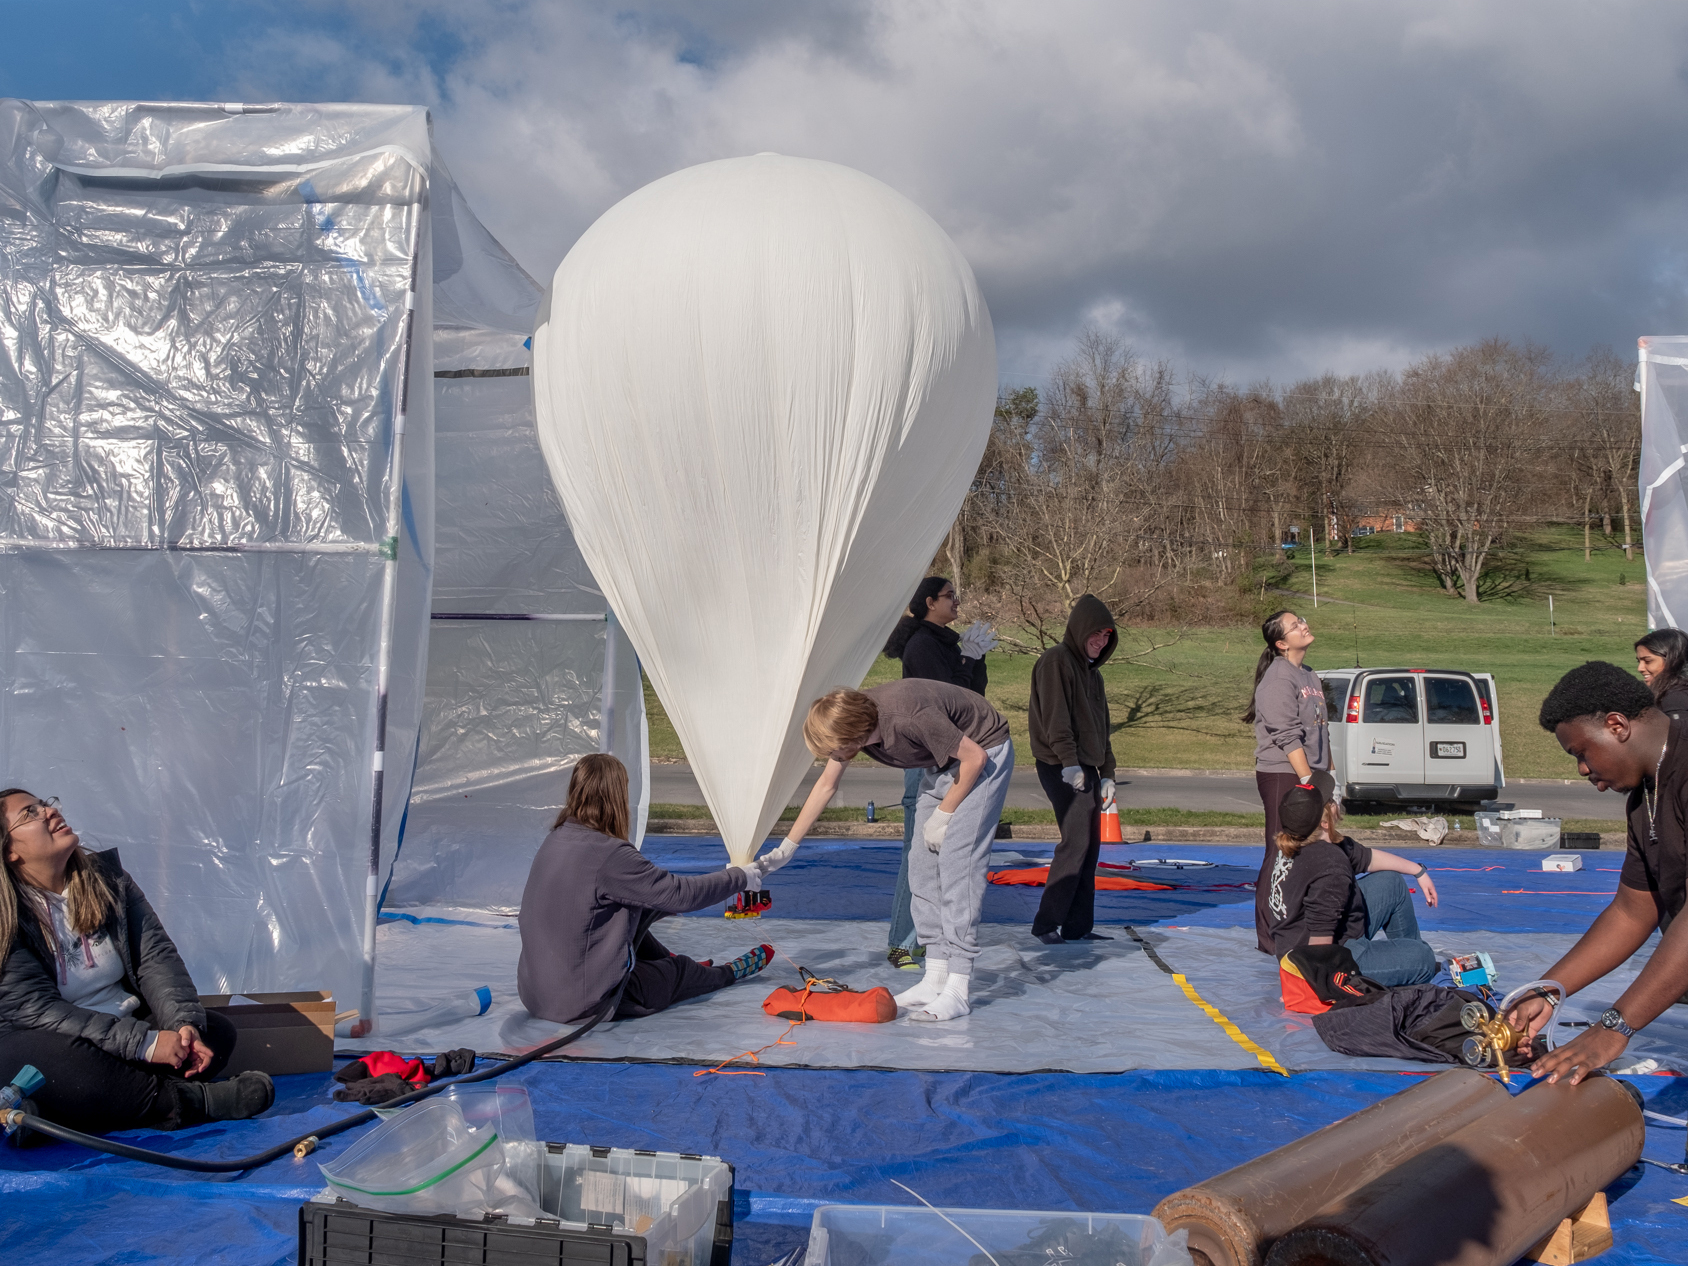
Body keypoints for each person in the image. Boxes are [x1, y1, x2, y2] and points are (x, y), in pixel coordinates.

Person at [0, 789, 274, 1134]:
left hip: (122, 1028)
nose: (49, 812)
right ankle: (192, 1103)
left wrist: (182, 1025)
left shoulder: (108, 880)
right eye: (30, 813)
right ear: (8, 850)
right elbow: (37, 1010)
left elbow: (155, 958)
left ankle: (52, 1118)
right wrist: (144, 1044)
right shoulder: (5, 914)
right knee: (57, 1065)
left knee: (216, 1033)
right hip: (47, 1041)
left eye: (45, 805)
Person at [1507, 661, 1688, 1085]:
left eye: (1582, 753)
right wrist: (1549, 989)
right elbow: (1632, 911)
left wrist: (1615, 1027)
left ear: (1616, 725)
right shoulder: (1646, 798)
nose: (1583, 770)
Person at [793, 679, 1014, 1021]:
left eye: (836, 752)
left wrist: (944, 814)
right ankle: (935, 974)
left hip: (982, 755)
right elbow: (826, 784)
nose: (834, 759)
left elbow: (975, 757)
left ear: (854, 736)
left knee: (959, 866)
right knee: (921, 867)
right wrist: (788, 845)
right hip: (944, 764)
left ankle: (958, 987)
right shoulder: (856, 729)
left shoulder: (909, 716)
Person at [517, 755, 788, 1025]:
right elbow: (681, 895)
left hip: (536, 995)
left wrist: (660, 902)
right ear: (617, 797)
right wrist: (739, 877)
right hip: (583, 1004)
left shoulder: (556, 839)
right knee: (678, 973)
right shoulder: (609, 854)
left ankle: (669, 962)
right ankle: (726, 973)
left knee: (634, 910)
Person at [880, 576, 995, 969]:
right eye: (950, 596)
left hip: (953, 754)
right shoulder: (923, 646)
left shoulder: (946, 643)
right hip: (932, 758)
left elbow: (970, 697)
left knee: (940, 853)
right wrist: (966, 661)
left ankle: (931, 940)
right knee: (918, 854)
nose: (957, 602)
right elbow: (943, 703)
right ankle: (901, 942)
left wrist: (974, 659)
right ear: (930, 602)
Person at [1265, 781, 1439, 987]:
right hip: (1325, 959)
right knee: (1424, 958)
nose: (1336, 800)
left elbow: (1367, 857)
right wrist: (1319, 985)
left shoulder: (1295, 840)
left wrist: (1418, 871)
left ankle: (1404, 963)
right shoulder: (1330, 866)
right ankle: (1411, 966)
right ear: (1325, 822)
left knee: (1391, 882)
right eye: (1331, 800)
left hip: (1309, 938)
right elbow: (1319, 944)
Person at [1027, 594, 1118, 944]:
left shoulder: (1094, 677)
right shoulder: (1056, 661)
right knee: (1075, 842)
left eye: (1107, 636)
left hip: (1087, 769)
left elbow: (1102, 727)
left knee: (1090, 847)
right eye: (1095, 635)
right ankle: (1047, 923)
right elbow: (1055, 719)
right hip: (1060, 766)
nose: (1101, 642)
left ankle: (1078, 925)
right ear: (1079, 632)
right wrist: (1068, 763)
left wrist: (1107, 771)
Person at [1244, 610, 1330, 953]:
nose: (1303, 626)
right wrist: (1308, 779)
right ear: (1281, 644)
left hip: (1311, 773)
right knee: (1280, 851)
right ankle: (1269, 937)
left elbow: (1321, 730)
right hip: (1284, 773)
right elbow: (1287, 736)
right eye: (1295, 626)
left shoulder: (1309, 675)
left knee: (1309, 852)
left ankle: (1300, 924)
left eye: (1302, 620)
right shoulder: (1279, 678)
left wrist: (1328, 777)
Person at [1635, 628, 1688, 721]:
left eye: (1648, 661)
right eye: (1639, 661)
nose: (1640, 668)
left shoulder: (1676, 700)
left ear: (1673, 661)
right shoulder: (1664, 693)